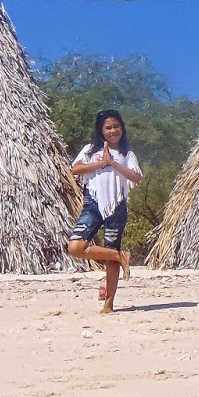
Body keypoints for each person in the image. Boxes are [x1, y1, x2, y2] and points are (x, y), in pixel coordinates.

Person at [66, 110, 143, 314]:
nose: (113, 130)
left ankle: (109, 304)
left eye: (116, 126)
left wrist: (114, 163)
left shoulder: (128, 154)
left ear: (122, 128)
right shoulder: (89, 150)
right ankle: (120, 255)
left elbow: (136, 178)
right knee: (75, 247)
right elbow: (75, 169)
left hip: (117, 207)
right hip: (92, 204)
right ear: (101, 130)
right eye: (108, 127)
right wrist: (101, 163)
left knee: (110, 259)